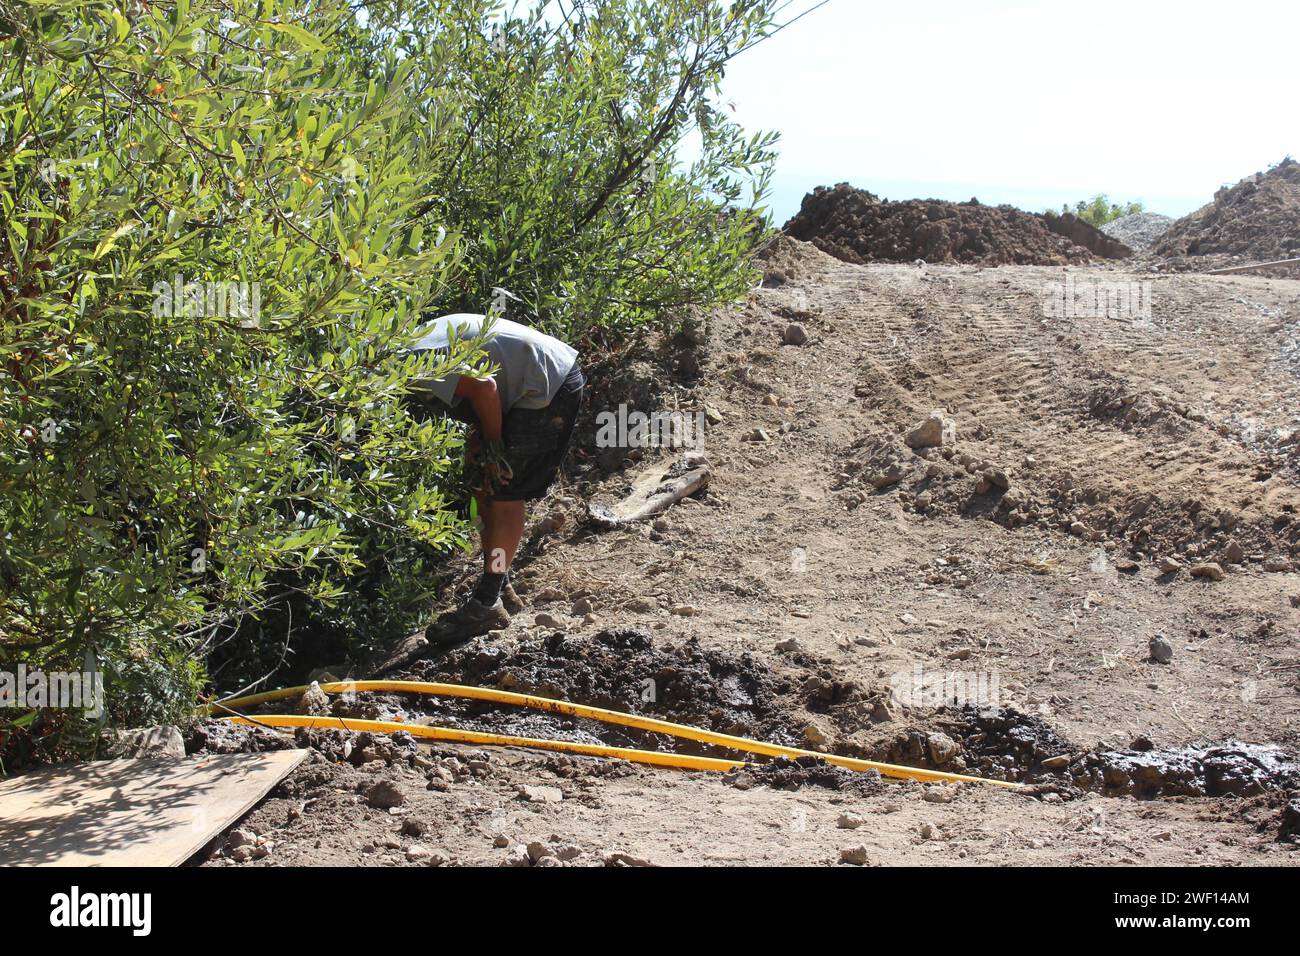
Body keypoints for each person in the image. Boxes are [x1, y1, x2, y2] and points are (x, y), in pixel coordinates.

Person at [410, 313, 584, 641]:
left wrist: (493, 448)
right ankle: (500, 588)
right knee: (483, 488)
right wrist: (483, 436)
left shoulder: (413, 361)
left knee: (503, 491)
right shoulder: (403, 345)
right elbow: (484, 384)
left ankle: (487, 601)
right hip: (524, 382)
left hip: (545, 385)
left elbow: (484, 387)